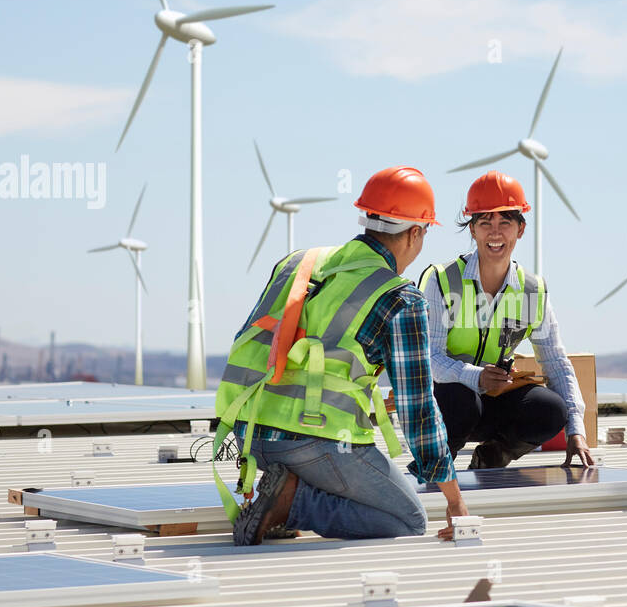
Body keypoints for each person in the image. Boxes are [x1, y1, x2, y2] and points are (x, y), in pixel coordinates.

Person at [213, 166, 471, 543]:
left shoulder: (297, 263)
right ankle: (291, 501)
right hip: (314, 442)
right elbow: (418, 409)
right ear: (415, 233)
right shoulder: (400, 298)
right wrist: (454, 499)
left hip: (249, 438)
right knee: (407, 521)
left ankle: (281, 496)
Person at [419, 171, 594, 469]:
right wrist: (475, 376)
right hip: (442, 404)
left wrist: (576, 430)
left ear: (520, 229)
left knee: (551, 409)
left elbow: (555, 361)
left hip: (492, 400)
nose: (495, 233)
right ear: (472, 230)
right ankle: (436, 464)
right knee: (461, 400)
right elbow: (429, 359)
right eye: (485, 222)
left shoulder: (532, 290)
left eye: (505, 222)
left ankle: (492, 457)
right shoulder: (441, 280)